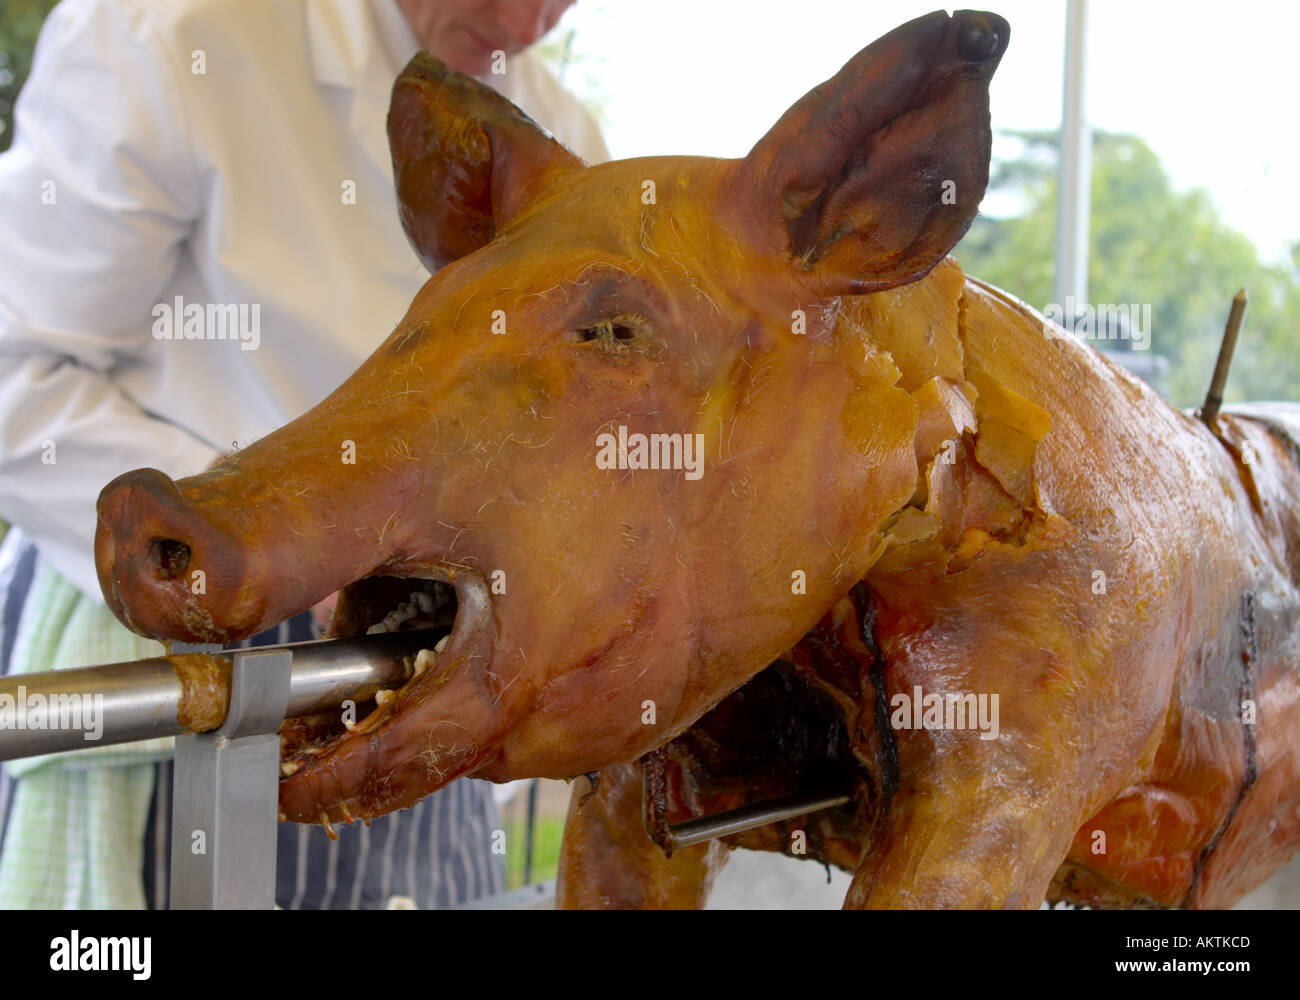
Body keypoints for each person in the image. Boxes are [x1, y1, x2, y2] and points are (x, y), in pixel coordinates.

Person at [0, 0, 607, 908]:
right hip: (184, 650)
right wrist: (284, 535)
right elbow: (16, 375)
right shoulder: (176, 34)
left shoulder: (568, 139)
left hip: (433, 659)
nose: (527, 24)